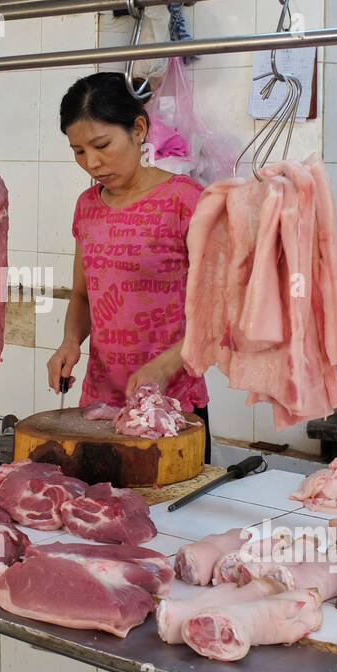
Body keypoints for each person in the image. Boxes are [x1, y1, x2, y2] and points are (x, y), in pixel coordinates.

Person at [45, 72, 210, 459]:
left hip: (172, 409)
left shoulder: (186, 200)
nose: (93, 162)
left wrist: (163, 368)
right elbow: (83, 295)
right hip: (99, 407)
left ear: (138, 129)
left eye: (102, 145)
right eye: (79, 151)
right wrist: (70, 342)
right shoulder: (88, 206)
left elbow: (218, 314)